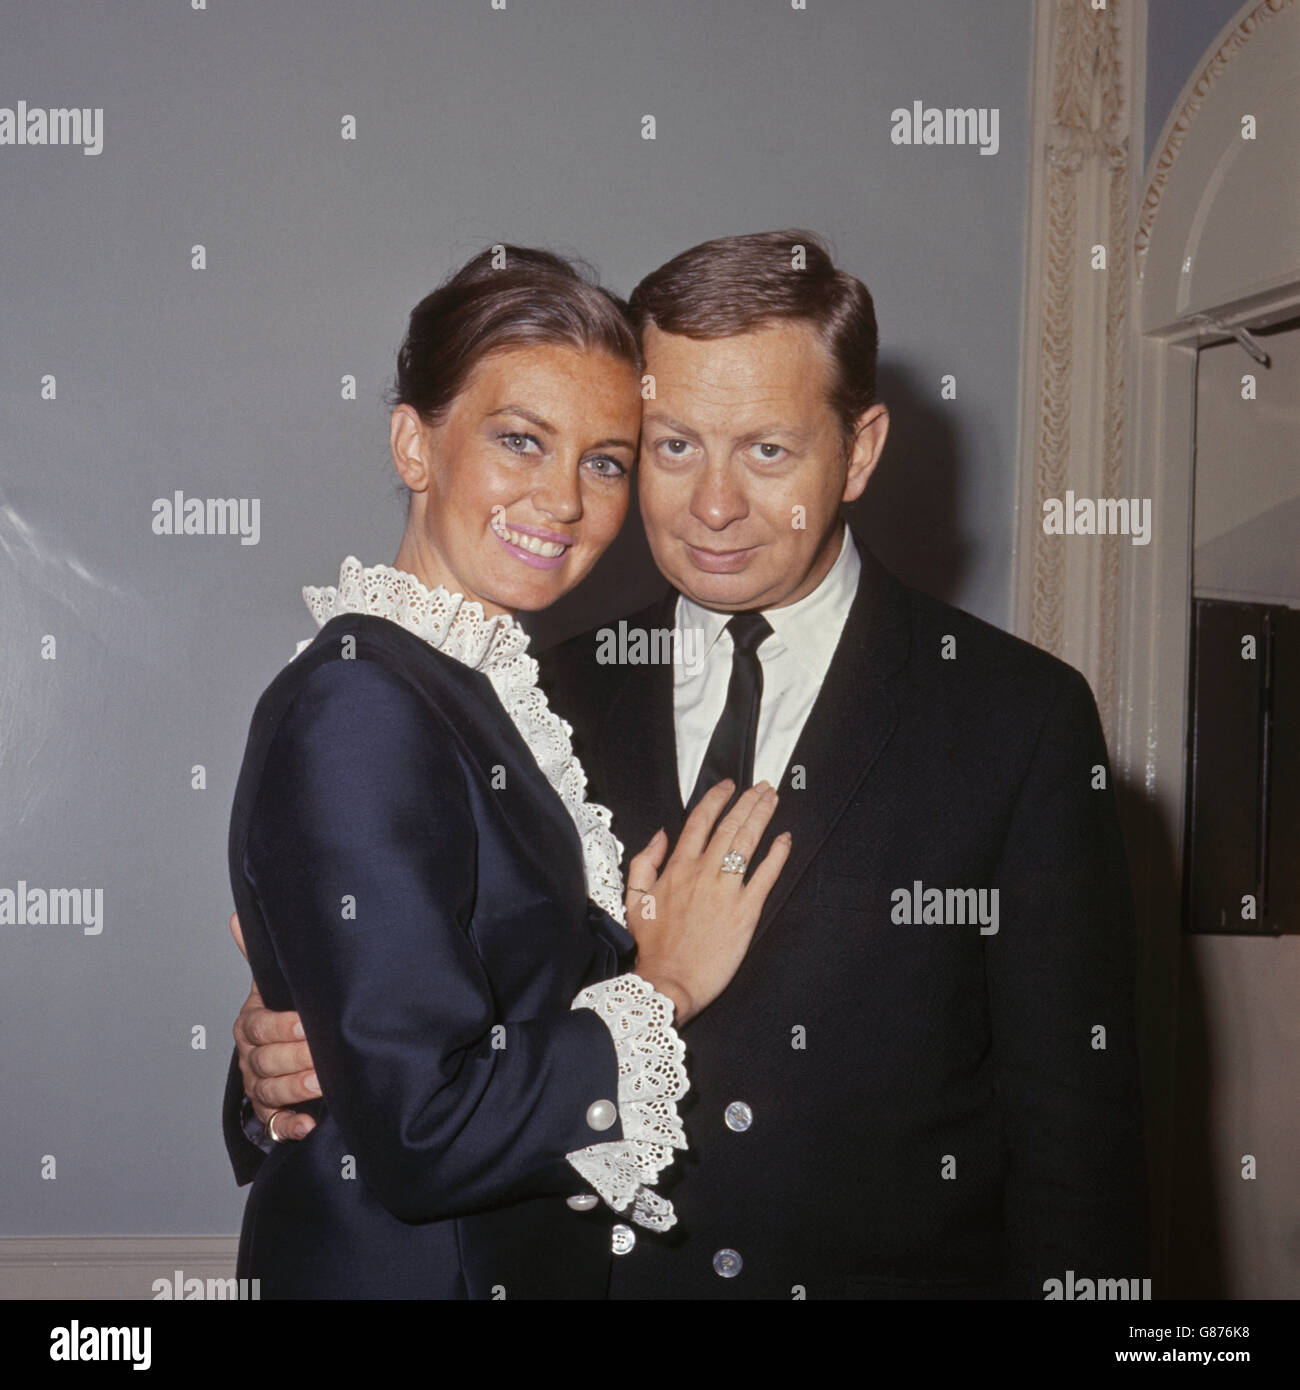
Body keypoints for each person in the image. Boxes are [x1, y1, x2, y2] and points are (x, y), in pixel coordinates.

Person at [230, 231, 1148, 1299]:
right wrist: (282, 1071)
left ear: (857, 452)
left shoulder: (1016, 717)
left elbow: (1078, 1138)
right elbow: (430, 1024)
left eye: (766, 450)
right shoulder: (534, 695)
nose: (713, 505)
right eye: (669, 448)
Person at [222, 244, 789, 1299]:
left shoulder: (494, 693)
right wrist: (660, 987)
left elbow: (433, 999)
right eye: (520, 440)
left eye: (606, 460)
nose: (564, 499)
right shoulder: (362, 699)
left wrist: (297, 1050)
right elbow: (423, 1130)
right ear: (413, 443)